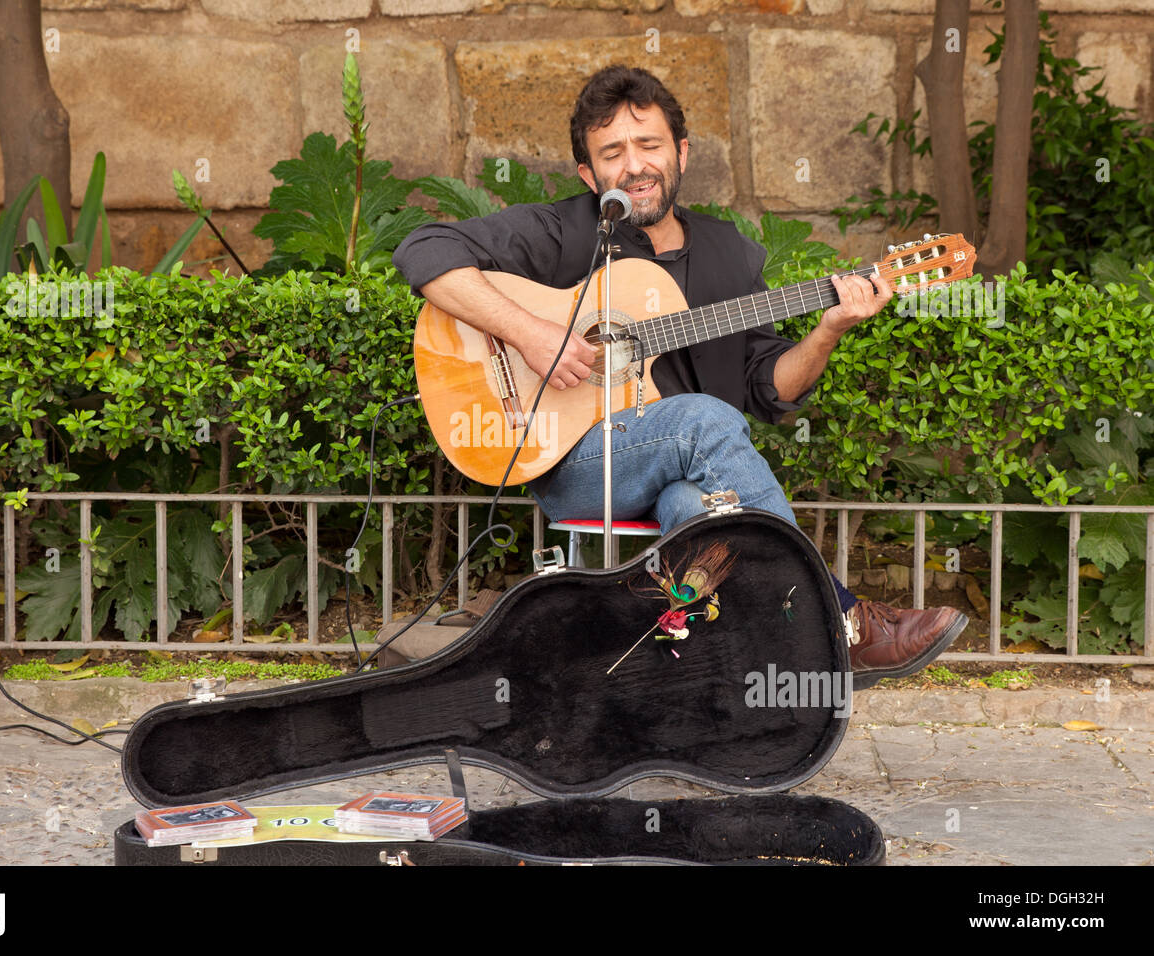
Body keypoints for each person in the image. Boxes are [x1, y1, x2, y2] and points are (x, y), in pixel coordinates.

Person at [393, 64, 967, 690]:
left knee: (696, 513)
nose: (634, 165)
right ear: (589, 174)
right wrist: (533, 335)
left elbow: (769, 387)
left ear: (682, 152)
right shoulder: (561, 232)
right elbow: (422, 250)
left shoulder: (732, 252)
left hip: (683, 471)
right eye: (612, 153)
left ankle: (721, 697)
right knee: (703, 416)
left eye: (650, 144)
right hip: (566, 459)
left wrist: (827, 331)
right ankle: (842, 623)